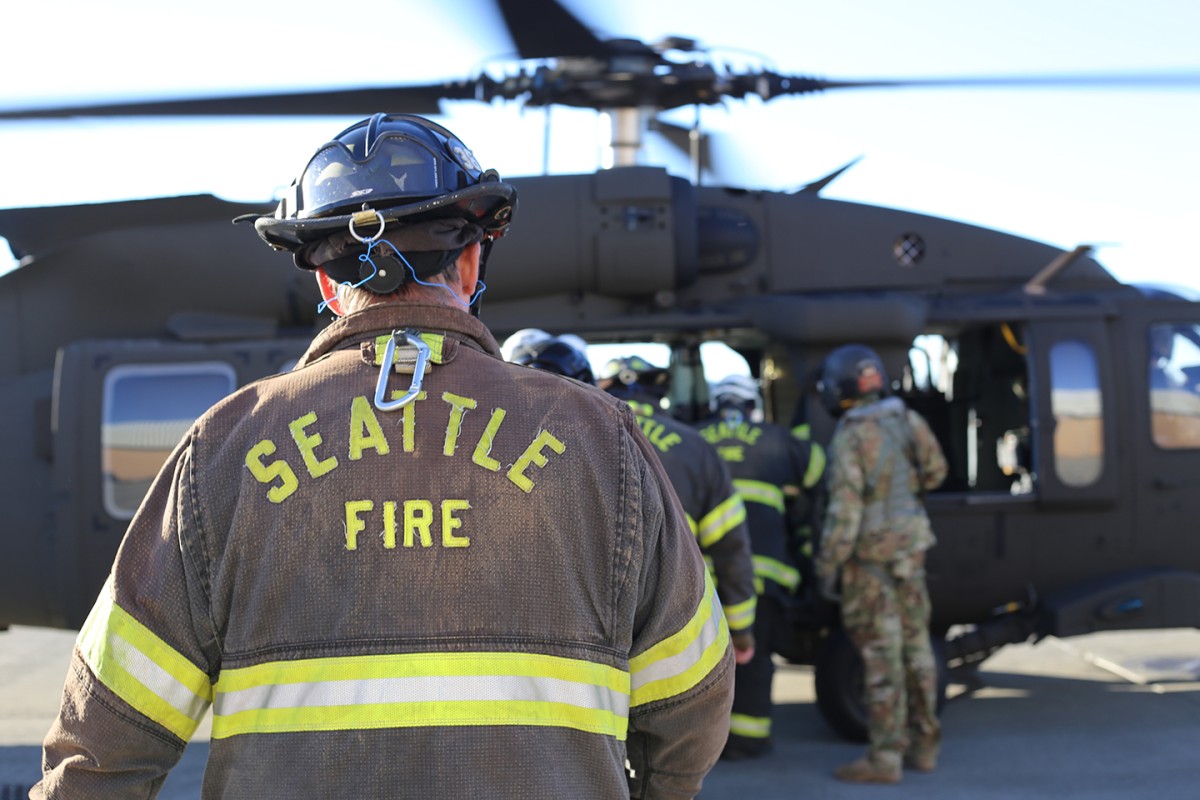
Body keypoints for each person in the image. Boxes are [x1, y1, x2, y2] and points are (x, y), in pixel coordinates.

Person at [34, 114, 733, 800]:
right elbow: (691, 686)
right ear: (468, 262)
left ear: (327, 284)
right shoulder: (599, 436)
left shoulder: (226, 443)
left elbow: (109, 728)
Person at [813, 344, 948, 784]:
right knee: (918, 651)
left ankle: (886, 758)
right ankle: (925, 747)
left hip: (868, 563)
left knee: (880, 658)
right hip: (911, 552)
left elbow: (845, 513)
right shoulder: (908, 420)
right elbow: (936, 472)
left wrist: (827, 564)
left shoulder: (851, 435)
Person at [596, 356, 758, 664]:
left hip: (594, 625)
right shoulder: (696, 449)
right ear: (659, 393)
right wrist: (740, 628)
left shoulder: (573, 438)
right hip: (677, 627)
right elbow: (731, 549)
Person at [696, 373, 825, 760]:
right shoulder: (779, 440)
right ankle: (750, 737)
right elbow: (819, 471)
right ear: (752, 405)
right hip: (763, 574)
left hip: (703, 577)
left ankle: (701, 743)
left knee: (699, 662)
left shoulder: (693, 439)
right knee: (753, 657)